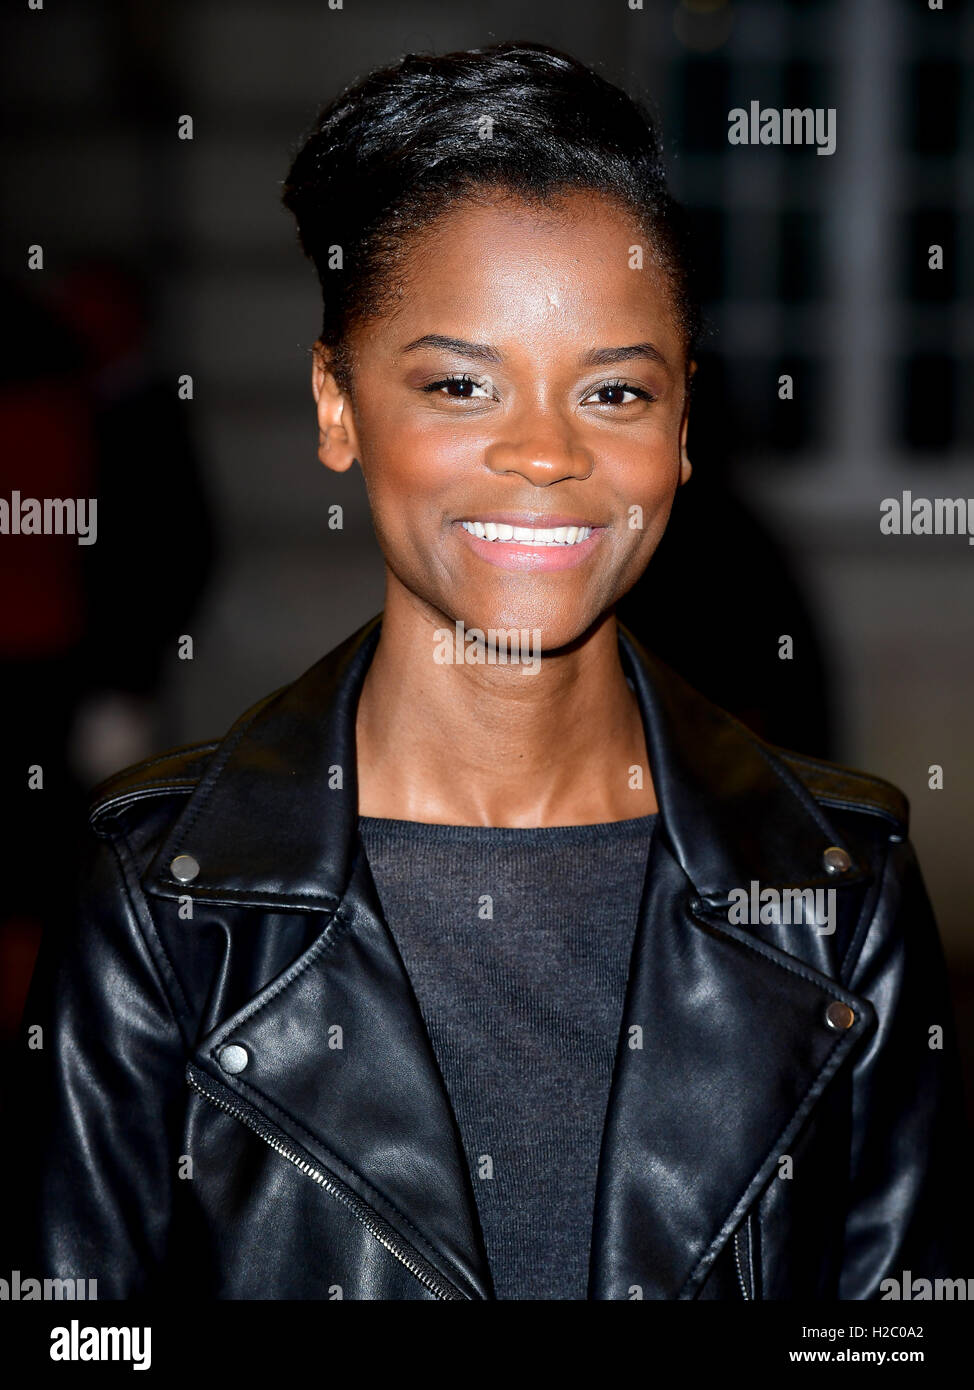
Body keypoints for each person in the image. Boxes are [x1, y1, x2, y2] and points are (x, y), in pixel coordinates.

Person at [8, 40, 967, 1302]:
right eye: (461, 383)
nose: (540, 453)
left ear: (682, 428)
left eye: (614, 393)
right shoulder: (166, 899)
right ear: (337, 404)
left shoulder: (838, 887)